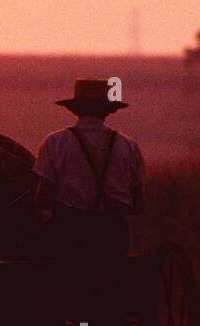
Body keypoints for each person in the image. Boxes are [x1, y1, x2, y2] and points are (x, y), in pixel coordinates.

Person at [33, 78, 145, 262]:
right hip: (113, 237)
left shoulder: (55, 142)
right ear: (109, 110)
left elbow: (43, 199)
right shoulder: (128, 146)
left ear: (74, 109)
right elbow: (138, 204)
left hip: (68, 235)